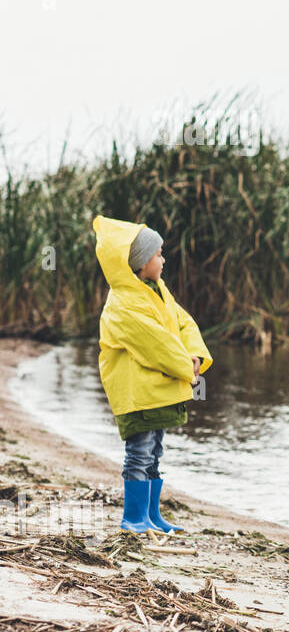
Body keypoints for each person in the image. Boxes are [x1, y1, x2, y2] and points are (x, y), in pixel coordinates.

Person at [92, 215, 212, 534]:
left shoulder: (157, 289)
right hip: (137, 395)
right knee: (139, 453)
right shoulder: (122, 303)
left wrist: (195, 354)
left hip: (156, 391)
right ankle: (133, 518)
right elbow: (155, 344)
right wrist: (187, 367)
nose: (163, 258)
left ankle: (151, 515)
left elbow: (183, 322)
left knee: (154, 453)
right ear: (142, 262)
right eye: (158, 254)